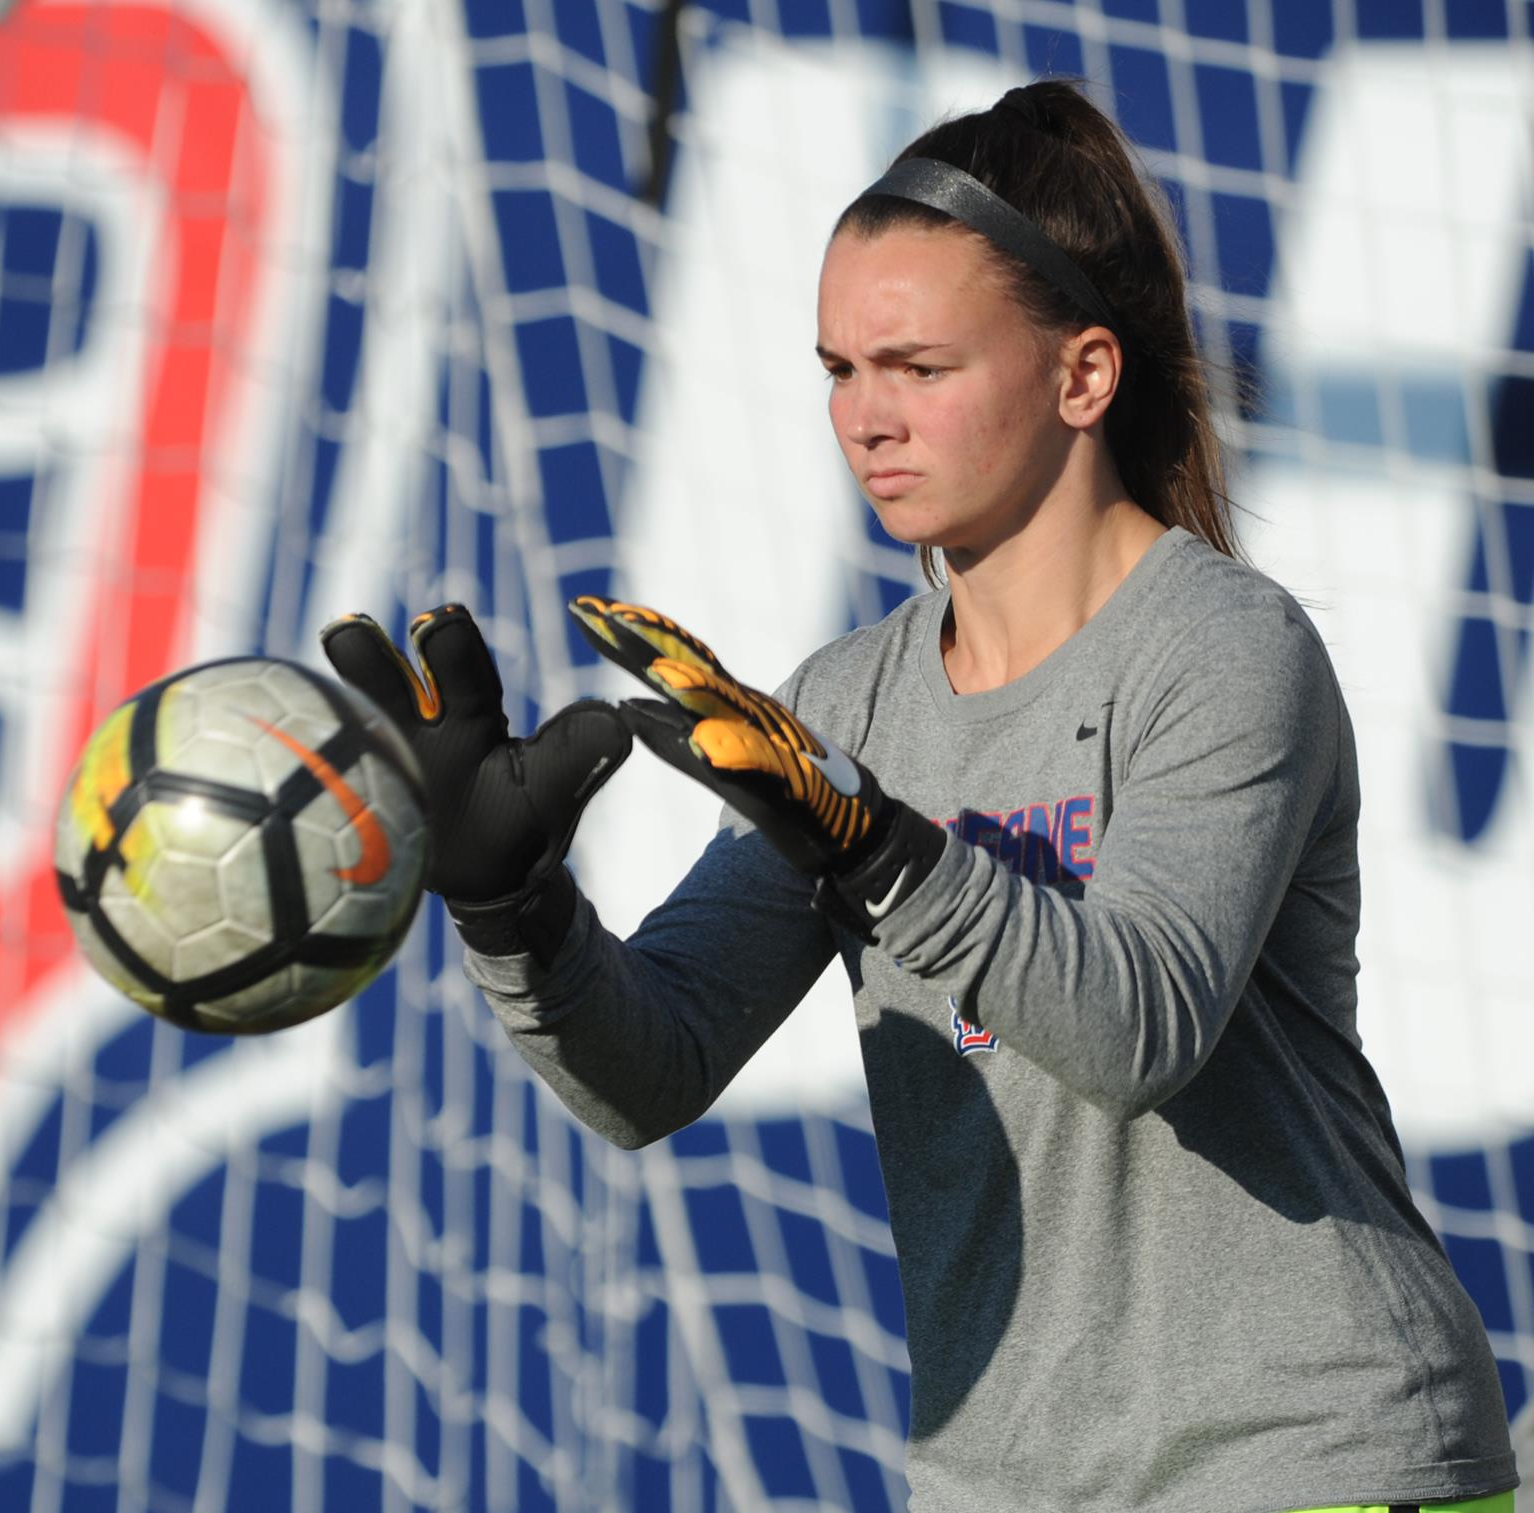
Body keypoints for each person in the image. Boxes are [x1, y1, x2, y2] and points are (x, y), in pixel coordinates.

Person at [319, 80, 1520, 1513]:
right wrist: (514, 913)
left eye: (920, 366)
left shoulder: (1223, 646)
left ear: (1084, 377)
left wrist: (883, 848)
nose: (865, 419)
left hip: (1307, 1455)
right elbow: (655, 1067)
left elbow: (1138, 1024)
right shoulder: (850, 701)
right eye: (839, 368)